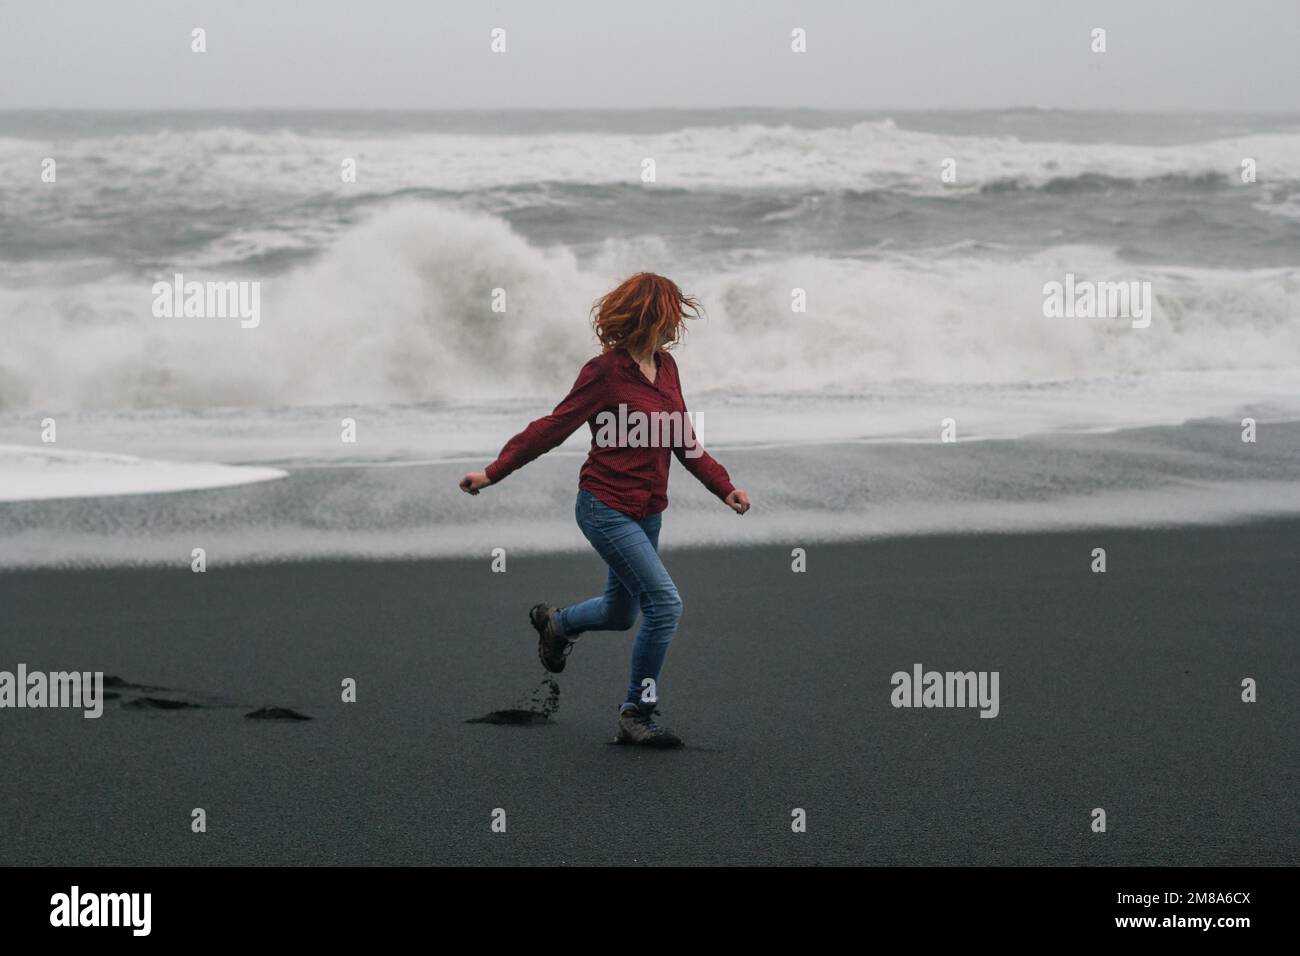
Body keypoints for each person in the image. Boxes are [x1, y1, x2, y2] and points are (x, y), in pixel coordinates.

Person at [459, 272, 750, 747]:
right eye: (671, 314)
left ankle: (557, 622)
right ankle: (637, 711)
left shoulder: (668, 367)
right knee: (665, 604)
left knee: (621, 613)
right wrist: (494, 472)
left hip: (648, 510)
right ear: (651, 315)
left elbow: (683, 439)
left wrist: (725, 487)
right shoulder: (603, 372)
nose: (676, 325)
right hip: (604, 506)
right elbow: (552, 427)